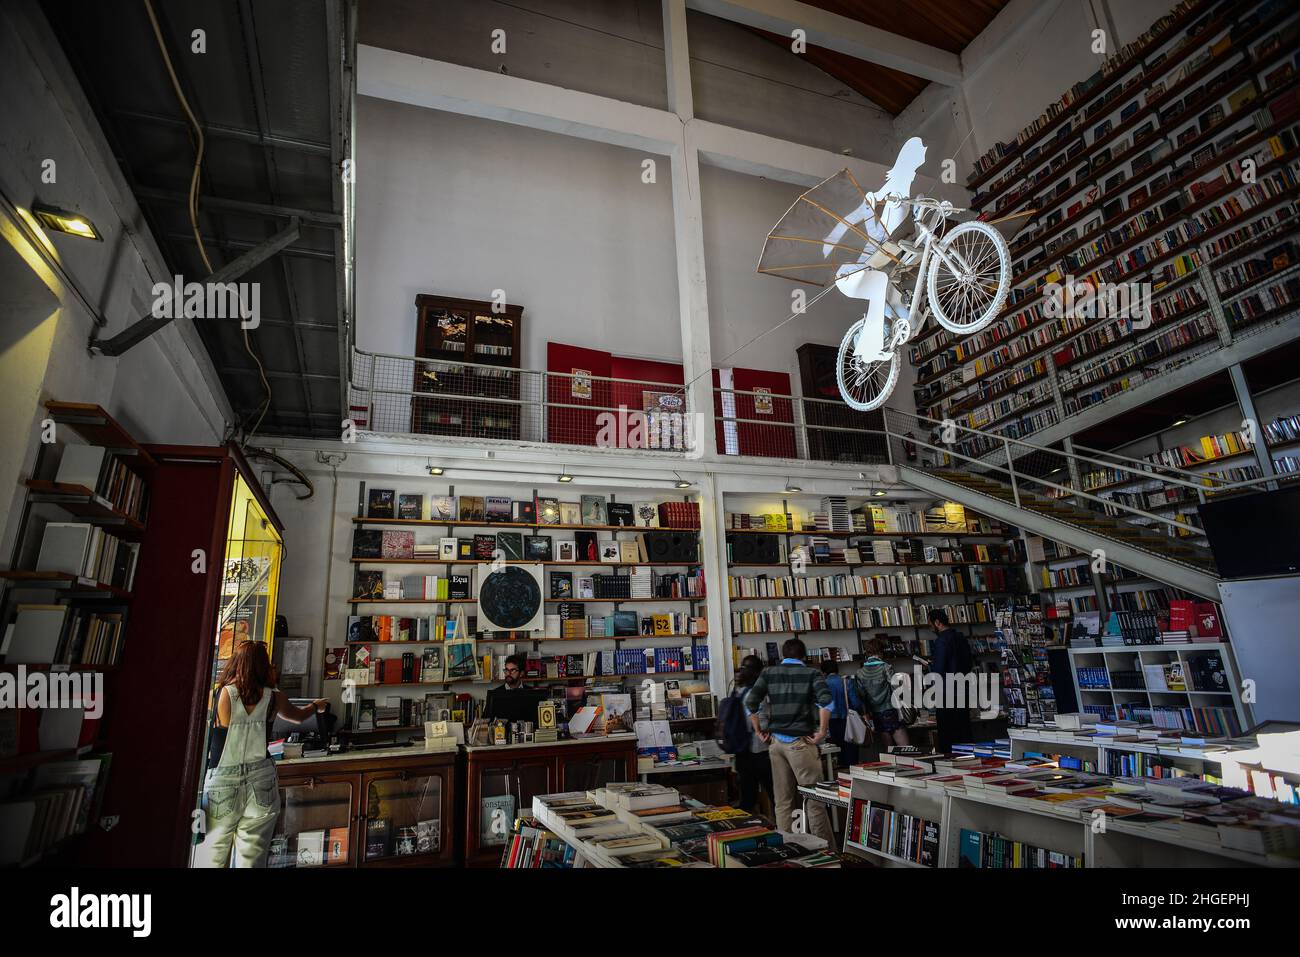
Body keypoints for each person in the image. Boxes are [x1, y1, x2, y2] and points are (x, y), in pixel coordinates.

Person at [199, 640, 327, 867]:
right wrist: (315, 706)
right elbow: (298, 717)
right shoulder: (273, 696)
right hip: (262, 781)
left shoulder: (220, 695)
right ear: (263, 666)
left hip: (222, 781)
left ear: (235, 663)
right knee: (252, 859)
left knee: (211, 857)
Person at [743, 638, 833, 842]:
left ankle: (788, 849)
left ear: (783, 655)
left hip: (776, 744)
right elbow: (826, 702)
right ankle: (824, 851)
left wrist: (758, 730)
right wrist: (822, 731)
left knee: (783, 801)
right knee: (814, 799)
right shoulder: (812, 673)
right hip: (800, 743)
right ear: (804, 655)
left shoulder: (768, 673)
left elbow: (751, 702)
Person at [853, 638, 910, 752]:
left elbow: (861, 697)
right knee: (907, 749)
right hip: (891, 710)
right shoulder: (886, 667)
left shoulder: (860, 673)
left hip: (875, 714)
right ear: (881, 652)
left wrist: (865, 714)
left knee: (888, 752)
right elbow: (897, 688)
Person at [732, 661, 774, 816]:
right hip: (758, 749)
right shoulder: (757, 692)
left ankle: (747, 832)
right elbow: (759, 721)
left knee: (748, 798)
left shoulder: (738, 691)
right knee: (774, 792)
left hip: (741, 748)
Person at [929, 610, 974, 753]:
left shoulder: (942, 641)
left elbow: (939, 670)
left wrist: (930, 667)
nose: (931, 628)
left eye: (930, 624)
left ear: (937, 622)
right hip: (963, 688)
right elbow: (968, 662)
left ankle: (949, 763)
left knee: (947, 734)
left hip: (947, 692)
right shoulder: (960, 637)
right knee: (963, 729)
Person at [820, 660, 862, 767]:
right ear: (837, 669)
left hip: (832, 721)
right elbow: (856, 703)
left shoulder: (823, 684)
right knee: (851, 749)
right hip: (848, 720)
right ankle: (853, 773)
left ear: (824, 672)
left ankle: (842, 773)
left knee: (838, 749)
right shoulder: (846, 682)